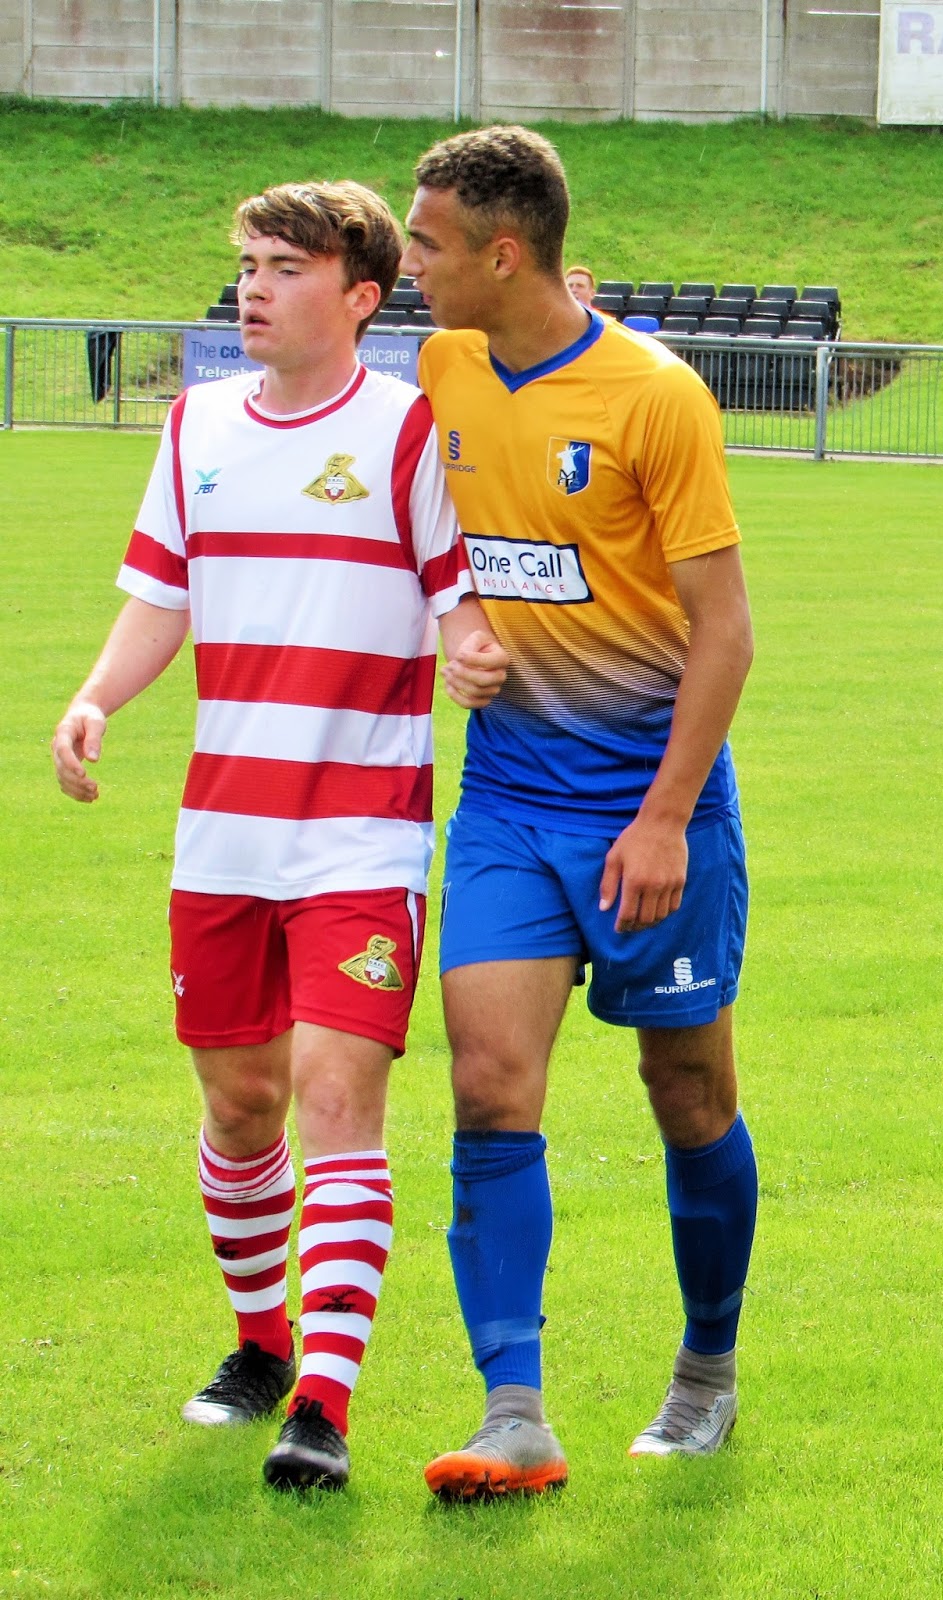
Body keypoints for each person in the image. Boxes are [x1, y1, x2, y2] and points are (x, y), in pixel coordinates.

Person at [51, 180, 508, 1491]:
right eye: (247, 263)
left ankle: (324, 1398)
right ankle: (258, 1347)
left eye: (285, 267)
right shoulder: (194, 426)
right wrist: (96, 696)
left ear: (360, 297)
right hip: (222, 839)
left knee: (332, 1101)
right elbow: (160, 596)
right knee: (242, 1105)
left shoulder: (414, 431)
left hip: (362, 838)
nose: (252, 286)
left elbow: (458, 605)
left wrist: (471, 656)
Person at [400, 124, 758, 1498]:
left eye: (426, 243)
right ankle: (513, 1411)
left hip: (651, 814)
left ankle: (708, 1368)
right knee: (489, 1088)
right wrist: (465, 633)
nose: (411, 264)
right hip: (506, 800)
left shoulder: (656, 398)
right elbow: (458, 557)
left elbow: (723, 635)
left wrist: (665, 820)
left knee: (687, 1090)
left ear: (503, 253)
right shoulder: (443, 366)